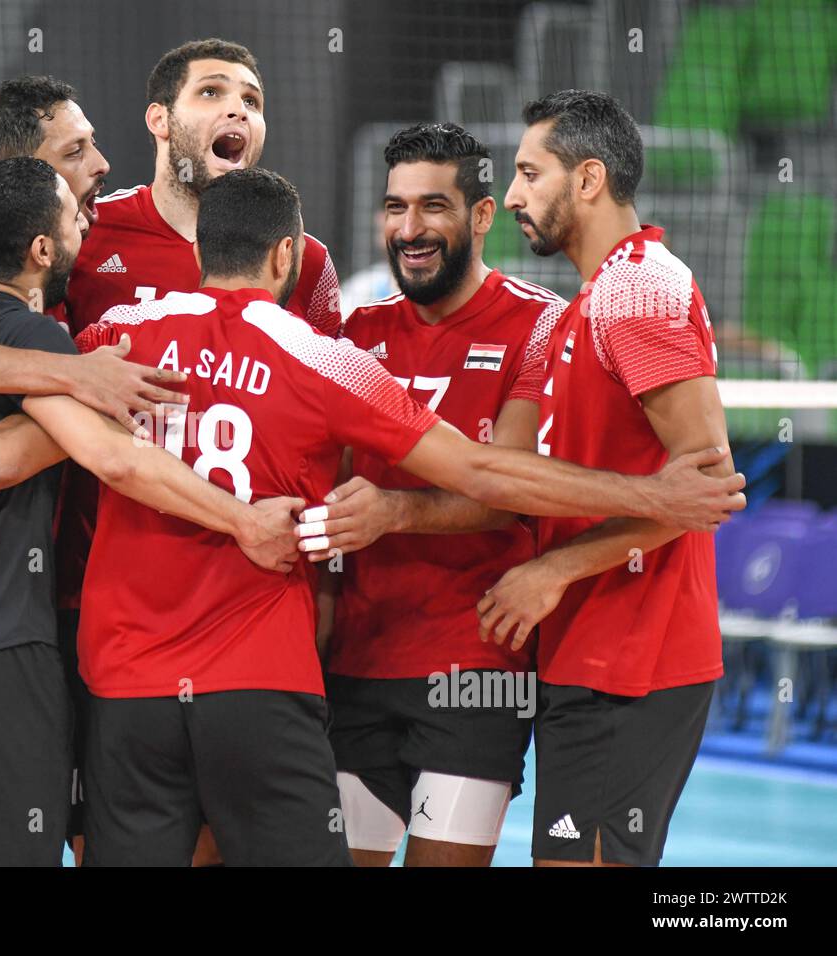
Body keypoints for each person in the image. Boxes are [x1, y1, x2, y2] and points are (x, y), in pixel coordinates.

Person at [69, 167, 744, 866]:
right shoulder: (329, 358)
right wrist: (650, 495)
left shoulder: (111, 341)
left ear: (200, 249)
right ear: (284, 255)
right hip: (261, 683)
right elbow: (482, 471)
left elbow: (67, 426)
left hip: (125, 686)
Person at [0, 157, 301, 865]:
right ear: (42, 251)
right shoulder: (41, 342)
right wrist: (241, 520)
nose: (88, 219)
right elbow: (113, 459)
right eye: (73, 216)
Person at [486, 89, 734, 867]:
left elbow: (709, 486)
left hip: (634, 658)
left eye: (531, 174)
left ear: (588, 180)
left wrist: (554, 568)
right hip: (591, 651)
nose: (515, 197)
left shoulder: (637, 290)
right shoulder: (584, 304)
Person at [307, 123, 565, 866]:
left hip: (475, 670)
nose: (409, 230)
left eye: (432, 208)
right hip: (358, 659)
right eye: (394, 208)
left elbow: (513, 485)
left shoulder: (539, 326)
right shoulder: (353, 335)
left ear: (481, 216)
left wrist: (394, 513)